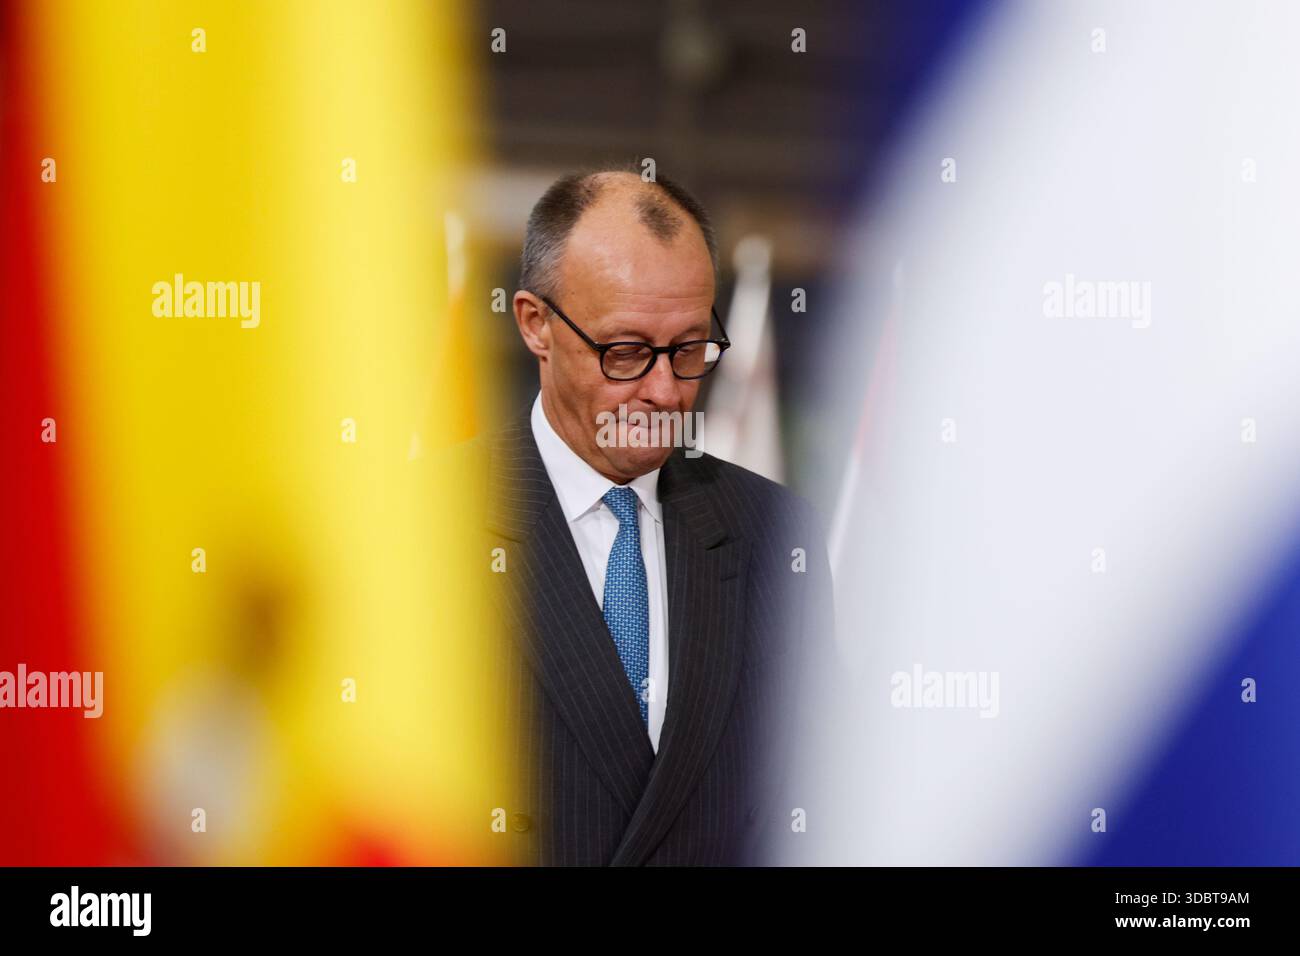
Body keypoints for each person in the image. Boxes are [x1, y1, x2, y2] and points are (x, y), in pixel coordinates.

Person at [464, 165, 836, 865]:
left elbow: (815, 811)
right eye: (626, 352)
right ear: (535, 324)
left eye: (690, 349)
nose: (665, 392)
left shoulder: (775, 537)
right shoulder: (428, 529)